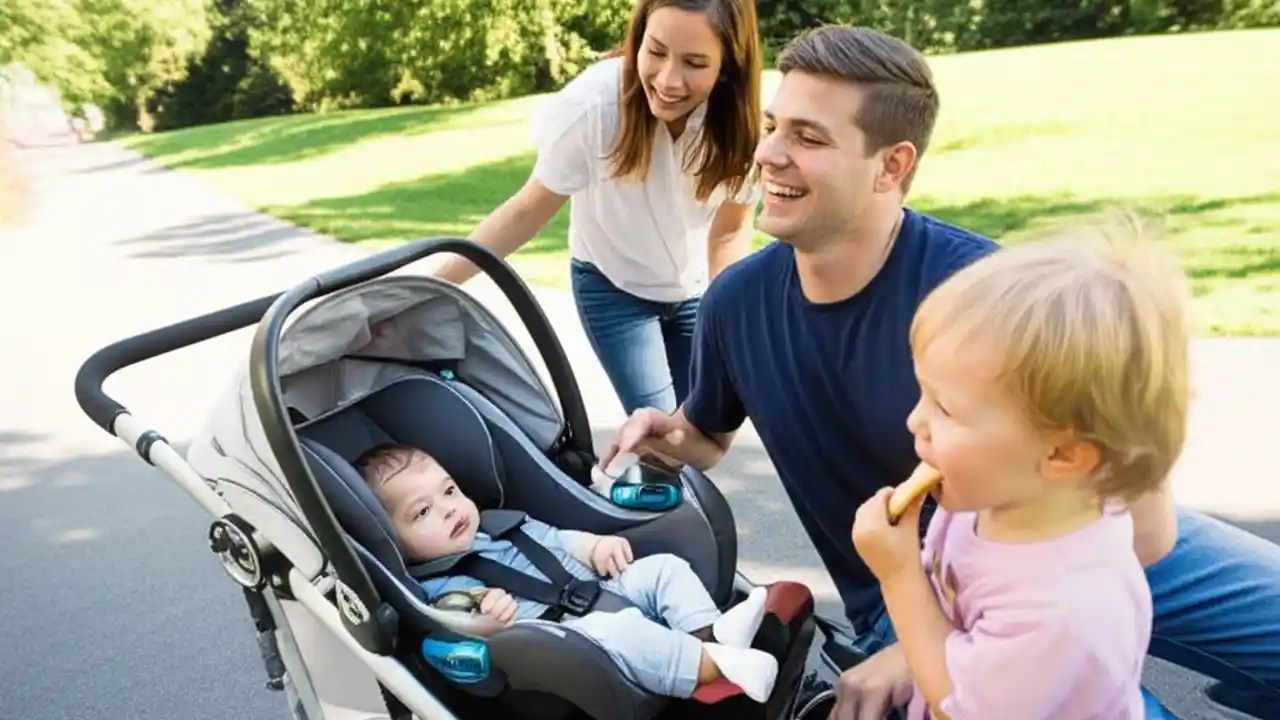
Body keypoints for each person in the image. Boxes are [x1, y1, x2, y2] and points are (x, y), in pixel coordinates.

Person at [597, 24, 1280, 719]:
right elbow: (706, 435)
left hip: (1093, 534)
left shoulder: (987, 290)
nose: (768, 152)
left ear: (891, 165)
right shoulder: (735, 304)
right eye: (774, 125)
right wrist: (668, 435)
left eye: (807, 137)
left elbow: (1147, 523)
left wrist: (1082, 598)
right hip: (917, 591)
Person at [852, 226, 1187, 718]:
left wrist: (899, 575)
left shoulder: (1062, 607)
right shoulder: (999, 499)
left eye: (944, 408)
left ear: (1064, 455)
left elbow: (960, 708)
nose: (914, 421)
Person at [432, 0, 765, 416]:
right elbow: (526, 211)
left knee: (702, 424)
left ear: (729, 65)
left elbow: (731, 232)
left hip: (694, 290)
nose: (667, 80)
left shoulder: (745, 126)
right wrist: (430, 288)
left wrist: (725, 321)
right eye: (656, 51)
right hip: (613, 286)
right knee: (659, 427)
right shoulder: (595, 106)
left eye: (694, 62)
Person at [352, 443, 780, 702]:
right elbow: (458, 620)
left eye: (449, 491)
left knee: (663, 569)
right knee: (624, 630)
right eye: (423, 511)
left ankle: (711, 633)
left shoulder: (500, 523)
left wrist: (594, 546)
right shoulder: (437, 585)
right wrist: (485, 615)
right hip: (563, 635)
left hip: (596, 585)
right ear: (393, 539)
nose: (449, 508)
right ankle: (711, 669)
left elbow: (557, 538)